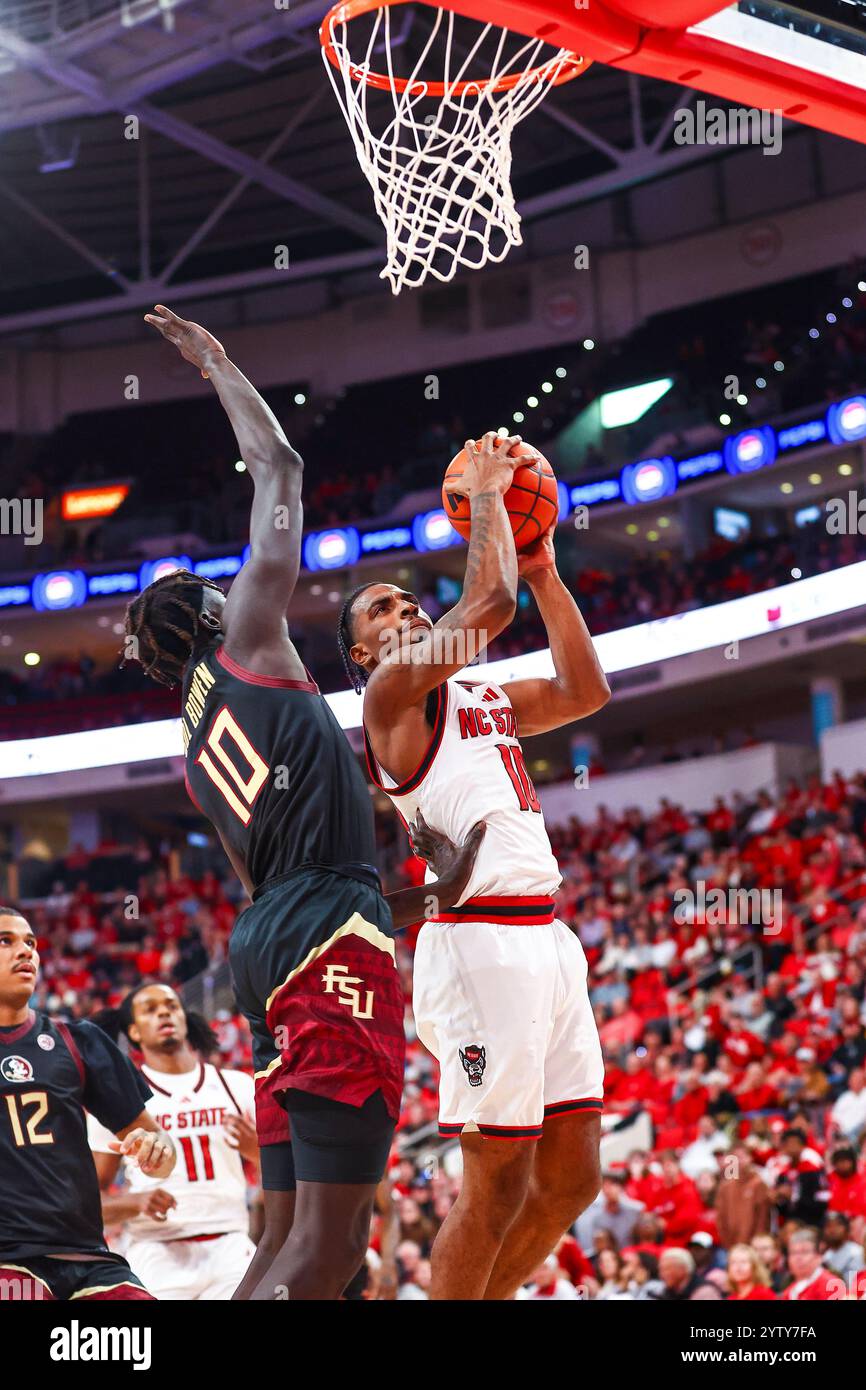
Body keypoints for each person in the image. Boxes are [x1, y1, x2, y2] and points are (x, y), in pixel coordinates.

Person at [123, 307, 484, 1301]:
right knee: (331, 1252)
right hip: (323, 939)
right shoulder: (244, 629)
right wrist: (222, 364)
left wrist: (425, 896)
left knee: (282, 1236)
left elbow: (291, 880)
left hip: (271, 946)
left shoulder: (192, 747)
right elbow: (277, 468)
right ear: (203, 612)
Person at [339, 431, 610, 1300]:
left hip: (547, 934)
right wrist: (489, 495)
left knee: (572, 1180)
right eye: (379, 611)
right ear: (360, 653)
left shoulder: (481, 694)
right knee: (494, 1181)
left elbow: (583, 690)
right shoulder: (390, 701)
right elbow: (484, 605)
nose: (403, 611)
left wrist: (545, 573)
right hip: (480, 943)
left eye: (405, 601)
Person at [0, 907, 175, 1301]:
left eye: (30, 942)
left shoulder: (80, 1040)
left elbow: (162, 1153)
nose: (25, 951)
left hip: (90, 1258)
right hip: (9, 1262)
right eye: (5, 941)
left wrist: (157, 1149)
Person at [89, 983, 258, 1300]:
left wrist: (257, 1153)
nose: (164, 1012)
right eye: (150, 1009)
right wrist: (135, 1202)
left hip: (231, 1244)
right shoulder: (118, 1101)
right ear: (134, 1032)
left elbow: (289, 1171)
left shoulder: (237, 1085)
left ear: (184, 1016)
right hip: (156, 1250)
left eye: (171, 1005)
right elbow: (88, 1202)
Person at [782, 1227, 846, 1300]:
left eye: (804, 1252)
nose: (798, 1258)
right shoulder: (788, 1292)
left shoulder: (831, 1286)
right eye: (794, 1253)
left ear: (818, 1256)